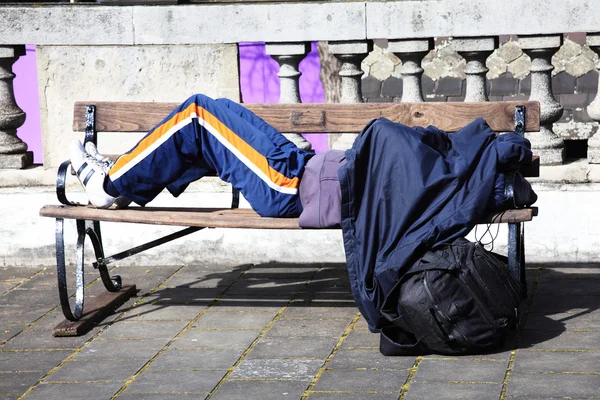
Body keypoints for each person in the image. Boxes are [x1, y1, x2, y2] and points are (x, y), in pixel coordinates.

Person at [70, 93, 346, 227]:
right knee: (221, 106)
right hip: (304, 165)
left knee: (198, 111)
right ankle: (127, 186)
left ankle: (108, 186)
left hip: (292, 188)